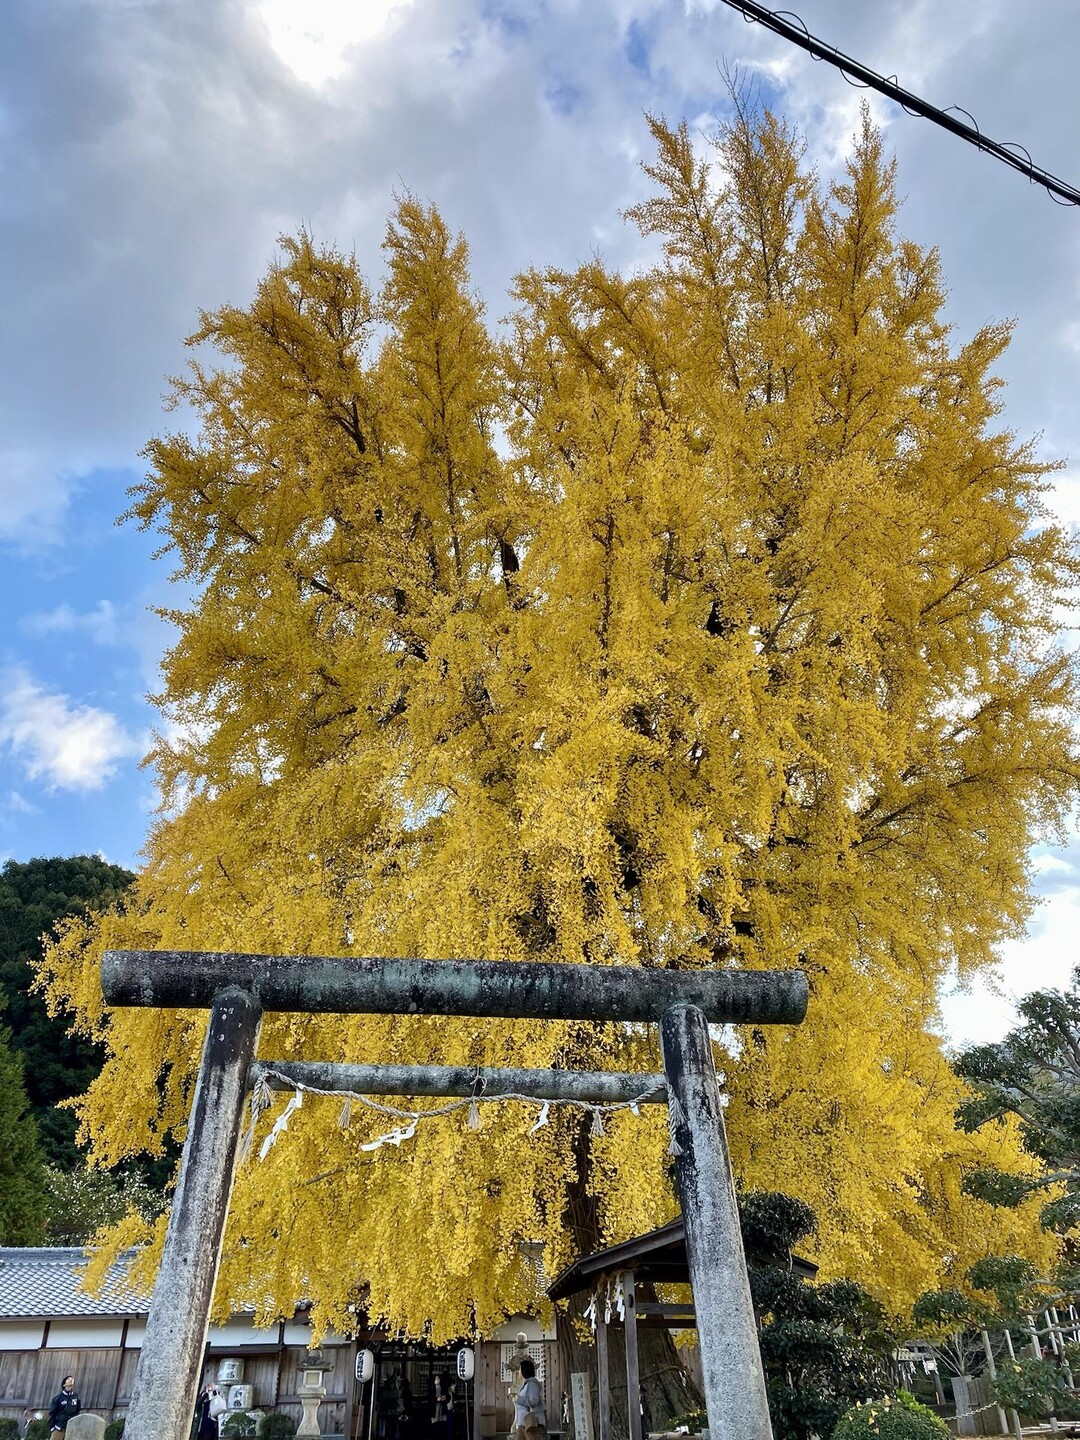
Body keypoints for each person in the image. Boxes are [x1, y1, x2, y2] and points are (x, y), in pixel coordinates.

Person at [512, 1358, 545, 1440]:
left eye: (520, 1369)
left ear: (524, 1370)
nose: (519, 1371)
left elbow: (534, 1401)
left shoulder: (532, 1384)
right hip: (523, 1423)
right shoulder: (526, 1384)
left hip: (531, 1423)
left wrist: (519, 1399)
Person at [432, 1373, 454, 1440]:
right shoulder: (432, 1390)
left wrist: (444, 1398)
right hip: (435, 1412)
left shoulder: (443, 1388)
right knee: (435, 1429)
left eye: (438, 1378)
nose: (437, 1379)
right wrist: (436, 1399)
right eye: (436, 1378)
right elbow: (430, 1400)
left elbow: (447, 1397)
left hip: (442, 1411)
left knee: (442, 1429)